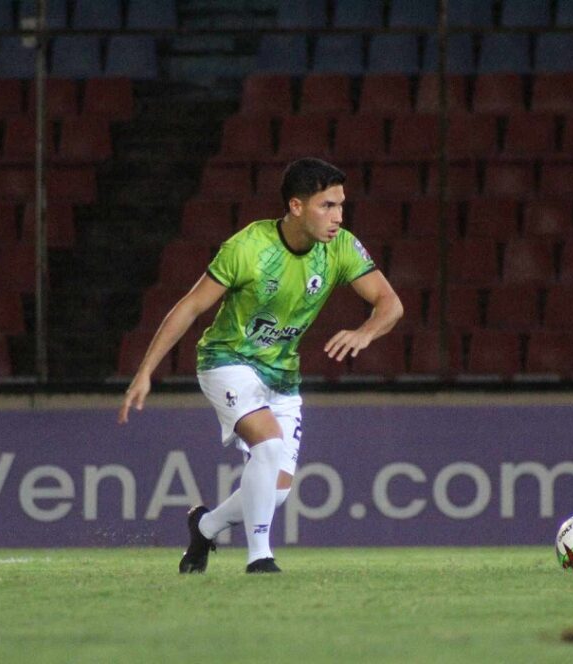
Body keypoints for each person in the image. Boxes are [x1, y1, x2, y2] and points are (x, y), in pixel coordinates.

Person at [118, 157, 403, 573]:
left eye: (341, 206)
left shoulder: (340, 247)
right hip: (226, 360)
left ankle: (206, 526)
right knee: (267, 447)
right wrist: (145, 371)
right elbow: (190, 306)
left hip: (282, 376)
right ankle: (260, 557)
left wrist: (366, 332)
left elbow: (390, 304)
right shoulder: (249, 248)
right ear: (296, 207)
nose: (338, 217)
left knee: (277, 491)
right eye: (327, 206)